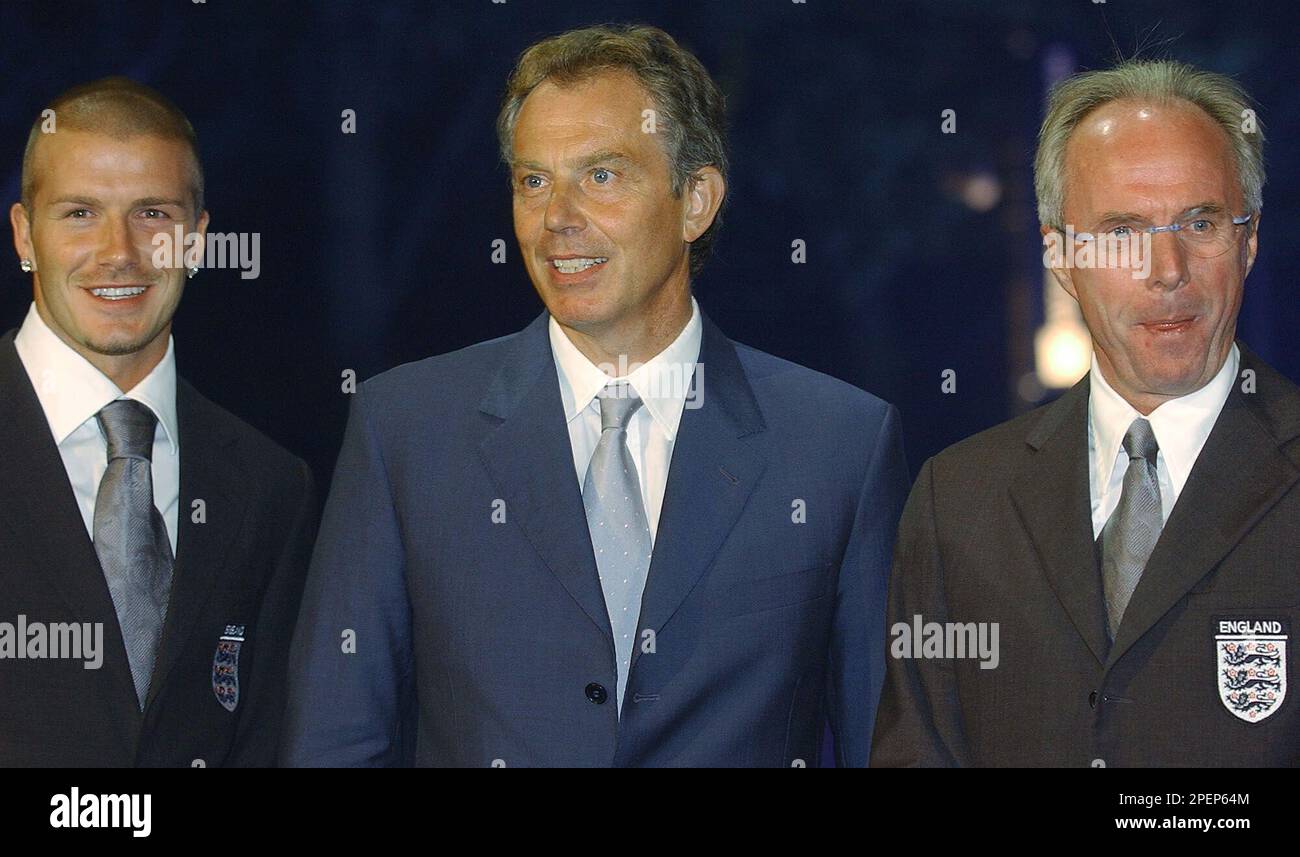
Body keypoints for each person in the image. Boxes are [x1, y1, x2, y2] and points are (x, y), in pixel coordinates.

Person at [284, 24, 908, 767]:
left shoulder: (838, 444)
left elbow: (888, 741)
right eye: (533, 180)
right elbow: (334, 742)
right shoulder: (406, 432)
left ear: (697, 200)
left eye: (602, 176)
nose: (557, 219)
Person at [871, 60, 1298, 767]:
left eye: (1201, 221)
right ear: (1062, 255)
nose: (1168, 268)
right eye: (1123, 230)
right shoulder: (958, 499)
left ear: (1247, 242)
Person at [1, 77, 317, 766]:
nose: (119, 251)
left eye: (152, 214)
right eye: (80, 212)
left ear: (198, 241)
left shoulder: (270, 485)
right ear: (25, 233)